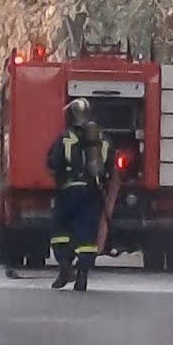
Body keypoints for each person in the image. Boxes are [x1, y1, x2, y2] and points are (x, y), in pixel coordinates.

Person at [46, 99, 114, 292]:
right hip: (93, 192)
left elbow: (52, 163)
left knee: (59, 231)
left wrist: (60, 177)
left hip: (68, 190)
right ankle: (82, 275)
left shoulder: (65, 138)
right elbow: (109, 167)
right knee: (87, 237)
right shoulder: (104, 140)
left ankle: (65, 267)